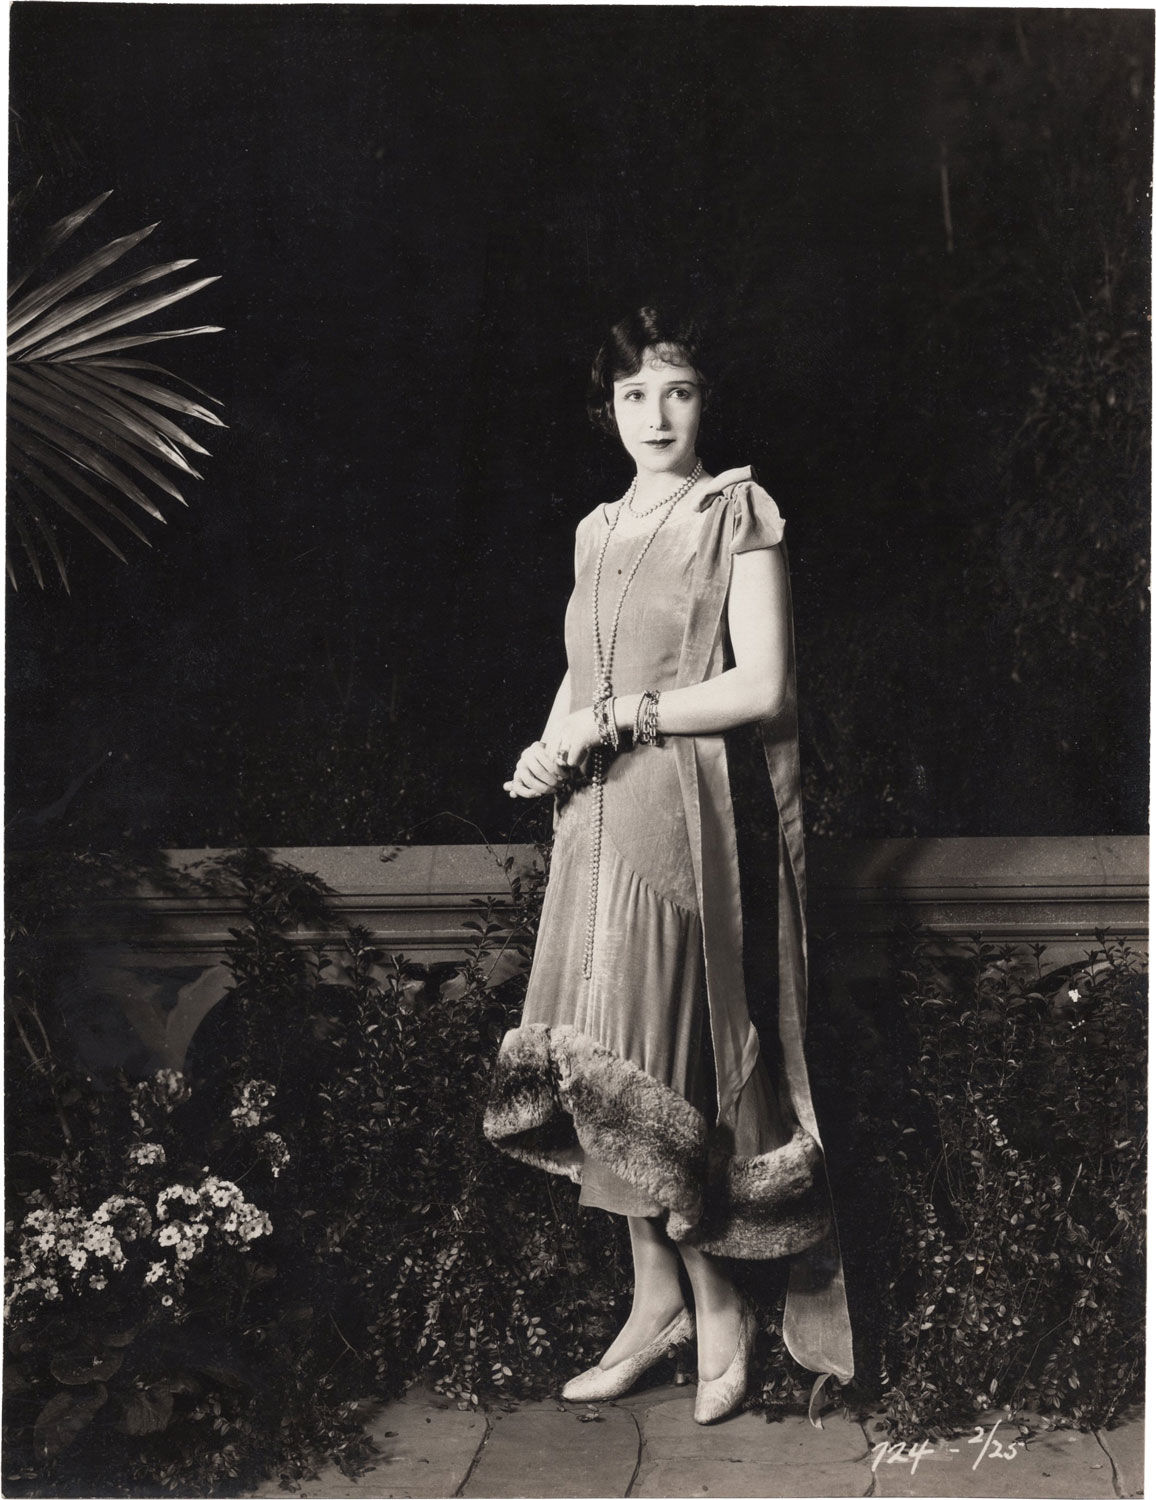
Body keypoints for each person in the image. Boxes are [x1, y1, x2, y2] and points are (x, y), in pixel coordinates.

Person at [484, 307, 852, 1424]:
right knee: (595, 1062)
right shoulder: (596, 528)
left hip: (680, 815)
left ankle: (716, 1304)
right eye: (634, 394)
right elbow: (581, 671)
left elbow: (760, 686)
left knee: (656, 1059)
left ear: (705, 402)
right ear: (608, 409)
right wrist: (548, 745)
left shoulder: (735, 511)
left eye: (677, 391)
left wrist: (619, 719)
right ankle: (655, 1304)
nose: (655, 415)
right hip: (590, 820)